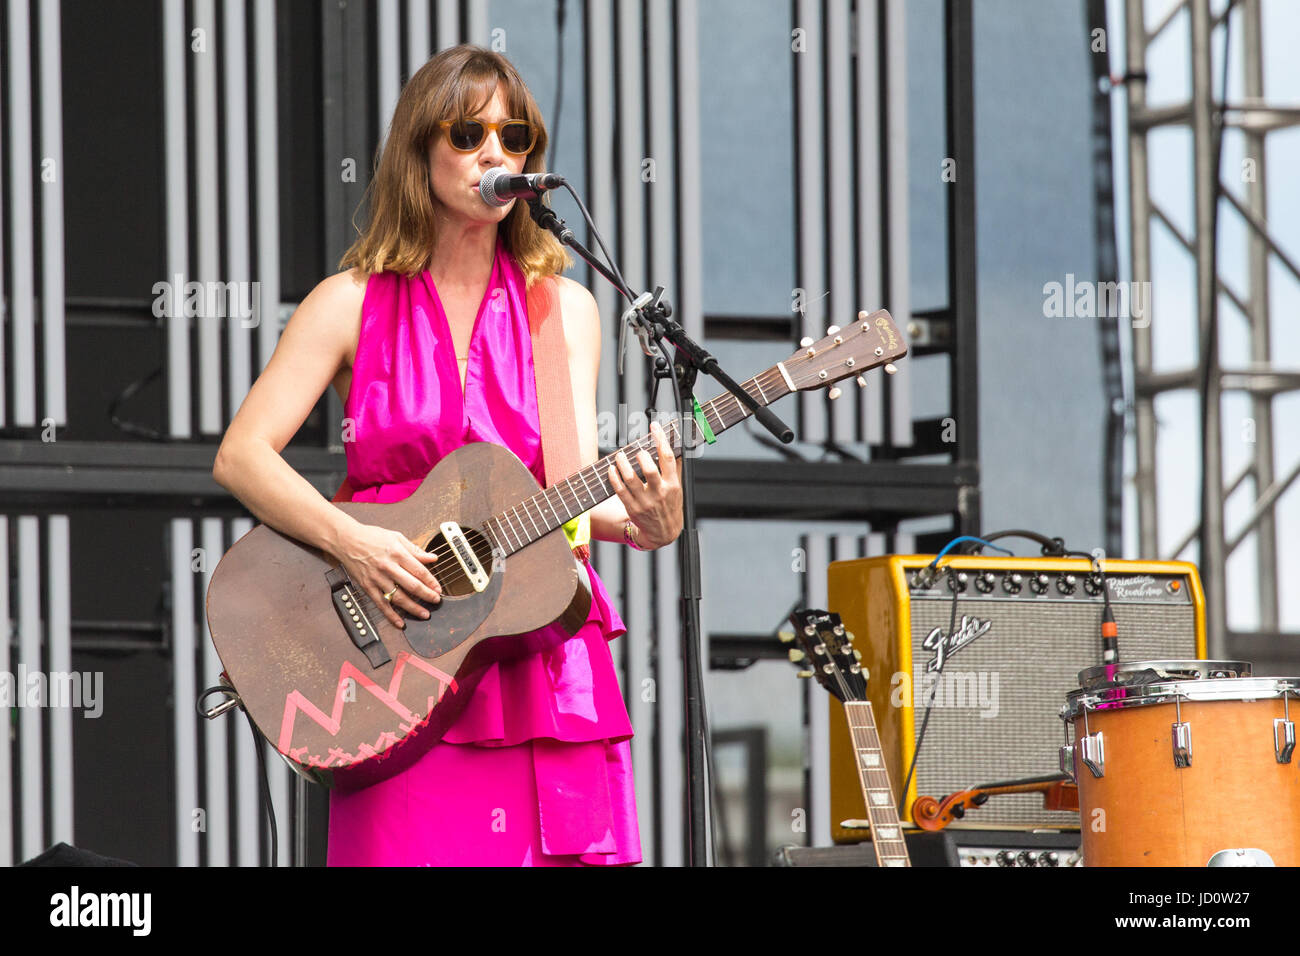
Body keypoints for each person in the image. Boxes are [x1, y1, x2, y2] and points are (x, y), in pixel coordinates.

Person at [211, 44, 682, 866]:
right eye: (468, 133)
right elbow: (243, 456)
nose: (496, 152)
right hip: (396, 651)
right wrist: (351, 541)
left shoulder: (562, 310)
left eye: (516, 135)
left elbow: (570, 493)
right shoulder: (349, 301)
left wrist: (650, 520)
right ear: (419, 151)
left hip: (534, 649)